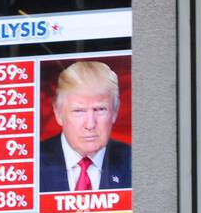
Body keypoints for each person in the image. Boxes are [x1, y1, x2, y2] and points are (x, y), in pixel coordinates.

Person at [38, 60, 131, 193]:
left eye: (99, 109)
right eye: (79, 111)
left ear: (115, 112)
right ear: (58, 113)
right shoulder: (31, 163)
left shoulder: (134, 162)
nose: (90, 124)